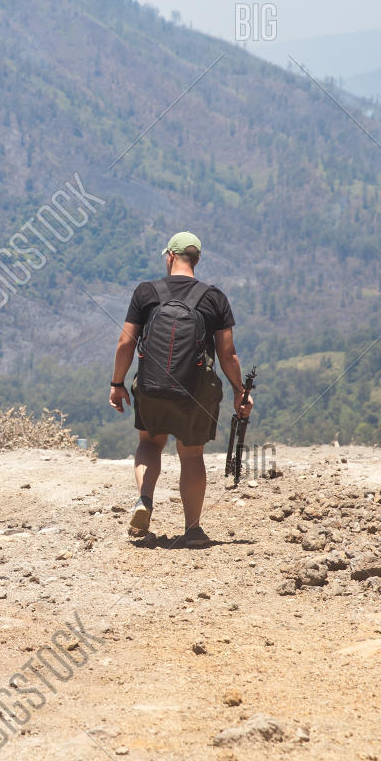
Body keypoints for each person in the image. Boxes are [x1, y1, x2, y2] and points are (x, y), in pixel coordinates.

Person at [108, 231, 251, 548]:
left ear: (169, 256)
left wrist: (117, 384)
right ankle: (193, 529)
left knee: (150, 443)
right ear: (197, 260)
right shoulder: (214, 298)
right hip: (195, 394)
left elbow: (125, 344)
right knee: (191, 455)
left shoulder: (146, 292)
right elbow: (228, 354)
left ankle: (145, 499)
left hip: (152, 389)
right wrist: (240, 391)